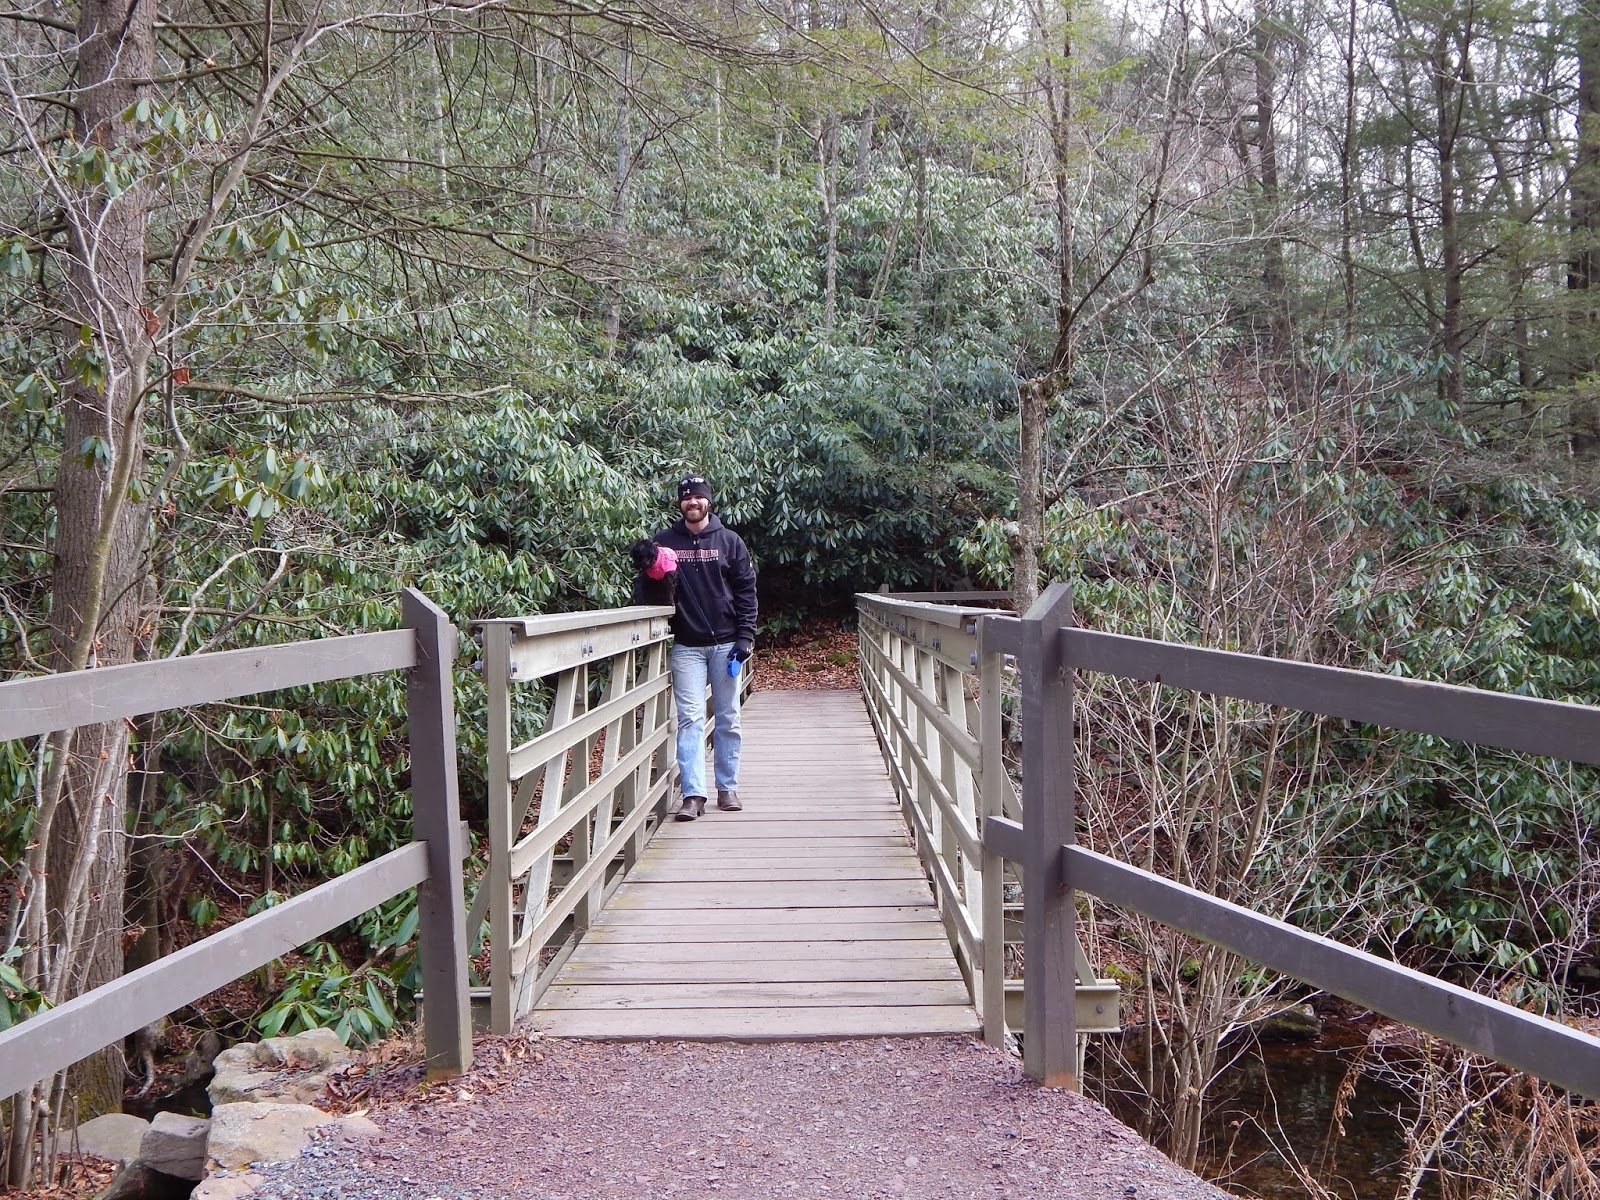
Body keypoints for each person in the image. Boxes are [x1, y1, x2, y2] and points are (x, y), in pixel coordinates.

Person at [649, 473, 757, 821]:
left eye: (698, 497)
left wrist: (745, 638)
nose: (692, 503)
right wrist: (648, 567)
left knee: (728, 718)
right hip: (686, 646)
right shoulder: (665, 542)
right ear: (679, 504)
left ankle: (727, 789)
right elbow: (650, 596)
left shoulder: (729, 541)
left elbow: (746, 592)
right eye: (686, 498)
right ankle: (694, 794)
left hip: (726, 644)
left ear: (708, 501)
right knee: (690, 719)